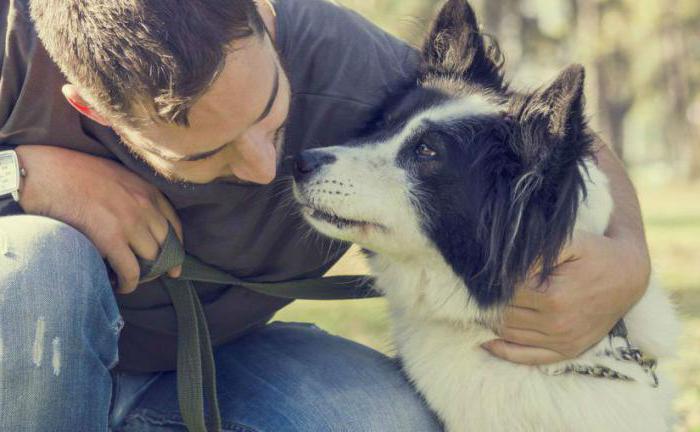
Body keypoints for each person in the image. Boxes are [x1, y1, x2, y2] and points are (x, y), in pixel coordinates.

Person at [0, 0, 651, 430]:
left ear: (262, 14)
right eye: (210, 153)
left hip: (210, 369)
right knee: (37, 263)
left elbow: (523, 123)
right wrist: (24, 174)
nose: (264, 167)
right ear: (94, 110)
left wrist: (629, 257)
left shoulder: (343, 57)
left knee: (384, 422)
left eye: (270, 115)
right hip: (22, 371)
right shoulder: (12, 47)